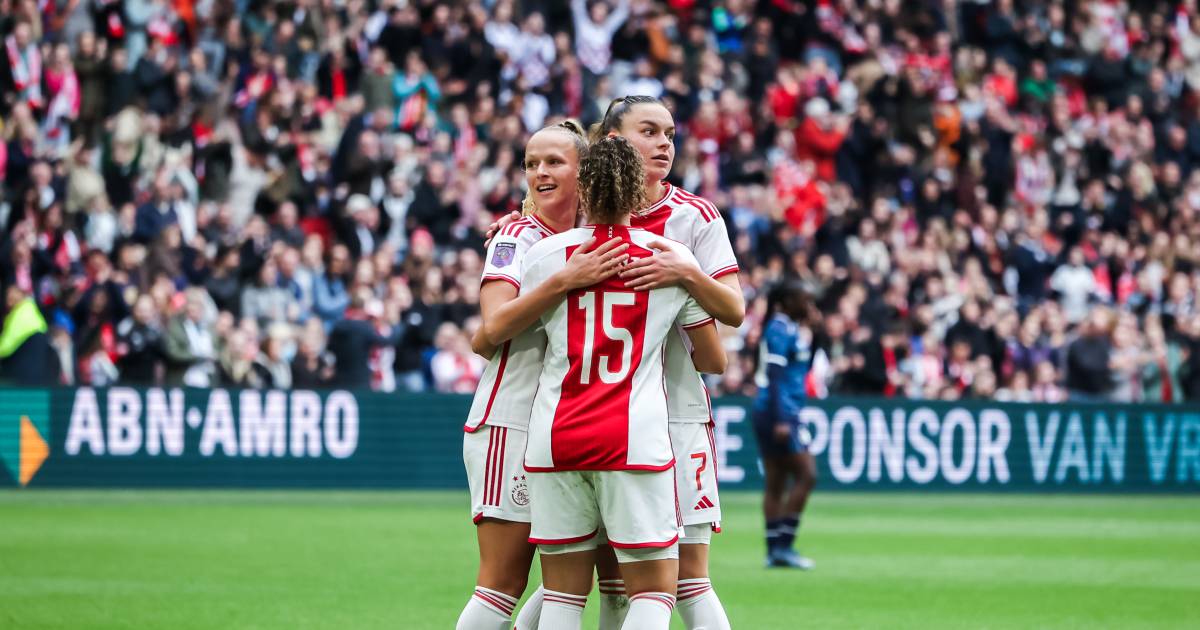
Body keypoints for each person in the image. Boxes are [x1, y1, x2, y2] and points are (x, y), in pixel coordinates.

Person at [488, 95, 743, 629]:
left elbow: (494, 326)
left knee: (569, 589)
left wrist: (522, 235)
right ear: (613, 145)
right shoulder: (655, 250)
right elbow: (717, 351)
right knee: (661, 586)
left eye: (670, 133)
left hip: (584, 423)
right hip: (638, 426)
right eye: (649, 132)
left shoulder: (571, 244)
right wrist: (522, 220)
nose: (665, 143)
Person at [456, 120, 627, 630]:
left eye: (554, 162)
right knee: (502, 585)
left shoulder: (593, 238)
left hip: (567, 425)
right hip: (510, 422)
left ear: (584, 170)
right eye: (532, 163)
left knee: (570, 582)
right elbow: (489, 332)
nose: (540, 172)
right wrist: (565, 281)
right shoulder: (515, 236)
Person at [753, 279, 819, 569]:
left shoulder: (788, 328)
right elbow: (776, 377)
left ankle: (774, 550)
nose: (807, 304)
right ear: (784, 303)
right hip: (777, 412)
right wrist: (782, 418)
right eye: (802, 298)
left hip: (772, 410)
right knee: (807, 474)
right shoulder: (780, 329)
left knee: (777, 480)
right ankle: (784, 545)